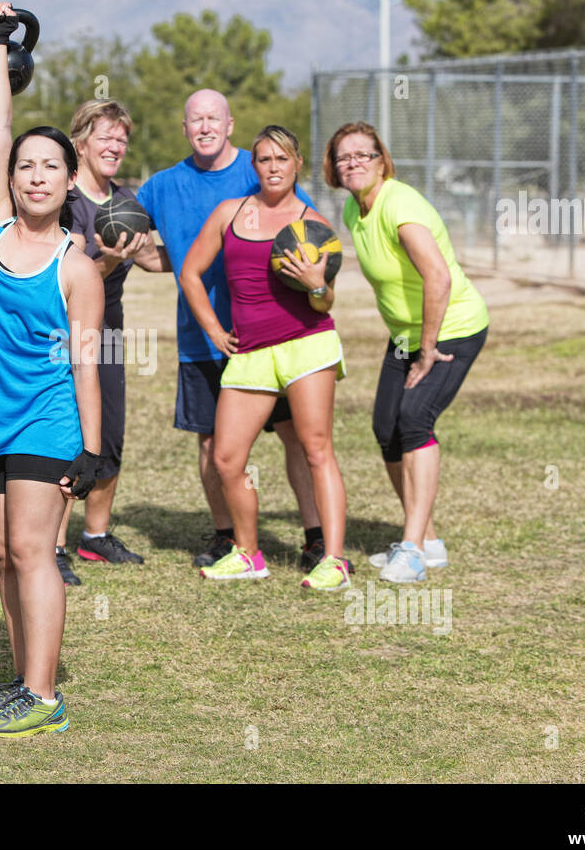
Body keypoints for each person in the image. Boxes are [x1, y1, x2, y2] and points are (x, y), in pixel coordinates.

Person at [0, 2, 103, 737]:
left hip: (47, 420)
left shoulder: (76, 268)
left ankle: (44, 699)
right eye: (26, 167)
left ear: (70, 181)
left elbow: (86, 364)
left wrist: (93, 449)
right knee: (0, 553)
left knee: (30, 548)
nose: (35, 175)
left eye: (51, 167)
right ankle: (24, 679)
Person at [134, 89, 327, 570]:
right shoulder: (160, 186)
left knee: (294, 436)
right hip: (202, 335)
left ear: (230, 124)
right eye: (195, 119)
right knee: (211, 444)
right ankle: (228, 537)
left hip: (269, 335)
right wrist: (144, 255)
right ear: (184, 128)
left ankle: (316, 536)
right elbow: (151, 249)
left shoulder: (259, 166)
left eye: (213, 118)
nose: (204, 127)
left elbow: (301, 240)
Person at [181, 126, 351, 590]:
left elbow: (325, 303)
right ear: (252, 166)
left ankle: (334, 560)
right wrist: (214, 331)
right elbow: (191, 273)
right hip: (250, 352)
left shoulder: (314, 222)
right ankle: (248, 553)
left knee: (317, 451)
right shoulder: (229, 213)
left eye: (282, 158)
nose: (273, 167)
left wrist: (317, 281)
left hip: (306, 344)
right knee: (227, 457)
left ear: (298, 164)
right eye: (263, 159)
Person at [323, 121, 489, 583]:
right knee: (386, 429)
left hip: (451, 329)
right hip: (405, 335)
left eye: (363, 155)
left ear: (382, 161)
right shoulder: (357, 211)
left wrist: (427, 349)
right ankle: (429, 540)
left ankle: (412, 549)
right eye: (343, 157)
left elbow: (438, 278)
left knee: (415, 419)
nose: (352, 163)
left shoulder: (401, 204)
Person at [51, 98, 157, 585]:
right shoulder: (68, 203)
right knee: (68, 436)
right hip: (62, 331)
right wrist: (112, 260)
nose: (116, 145)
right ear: (80, 143)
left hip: (108, 331)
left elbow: (155, 259)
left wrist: (211, 255)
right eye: (105, 136)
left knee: (109, 432)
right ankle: (52, 546)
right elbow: (72, 281)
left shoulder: (125, 202)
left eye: (122, 138)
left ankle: (94, 536)